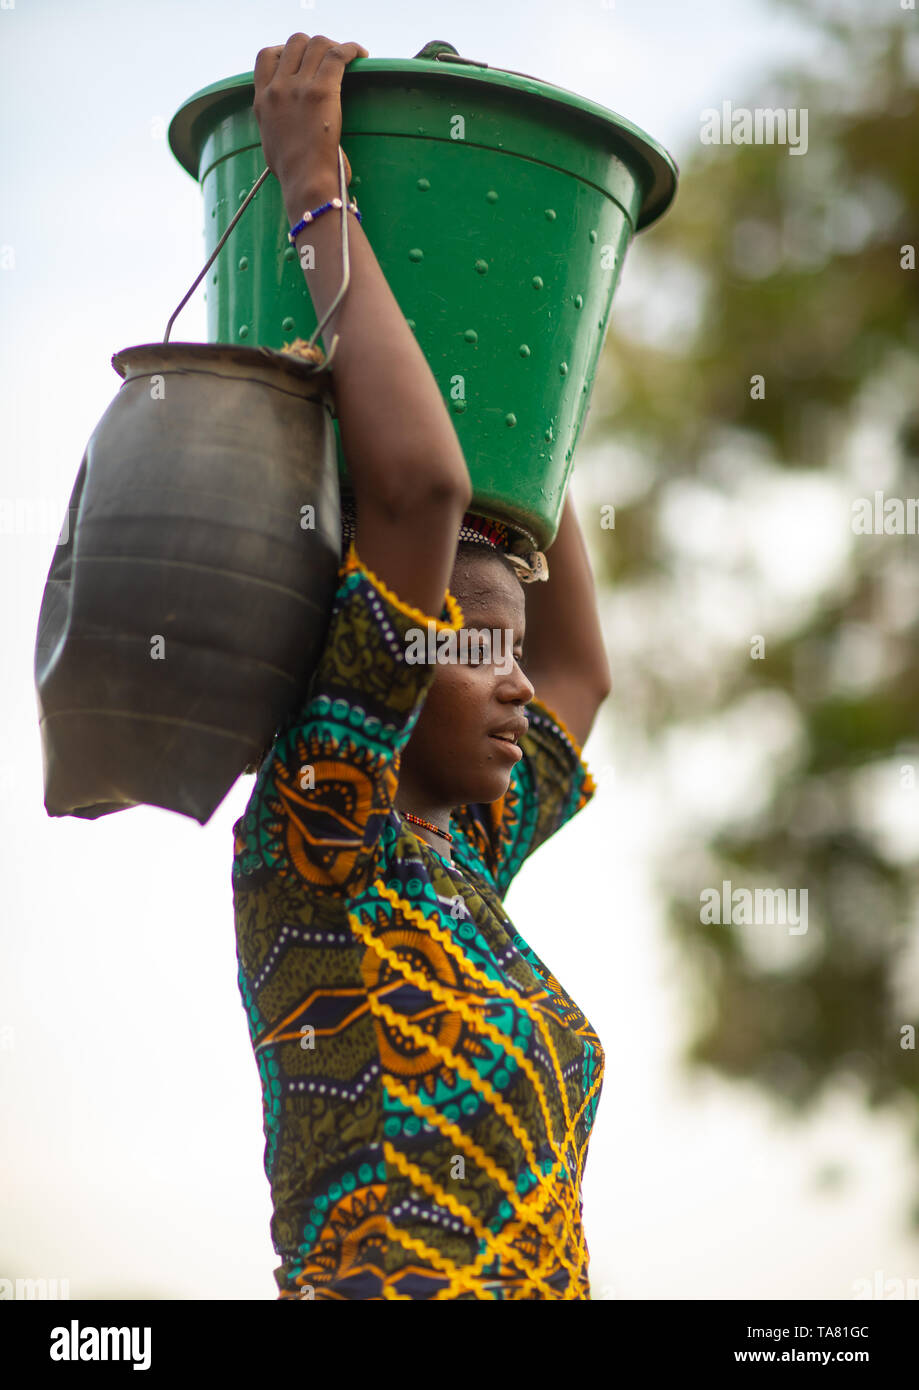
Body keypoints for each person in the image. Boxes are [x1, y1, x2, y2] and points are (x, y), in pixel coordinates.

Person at [232, 33, 612, 1300]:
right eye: (468, 643)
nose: (517, 679)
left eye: (508, 643)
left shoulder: (463, 858)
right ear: (376, 655)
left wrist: (527, 398)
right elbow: (421, 488)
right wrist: (313, 188)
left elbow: (581, 670)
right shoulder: (323, 829)